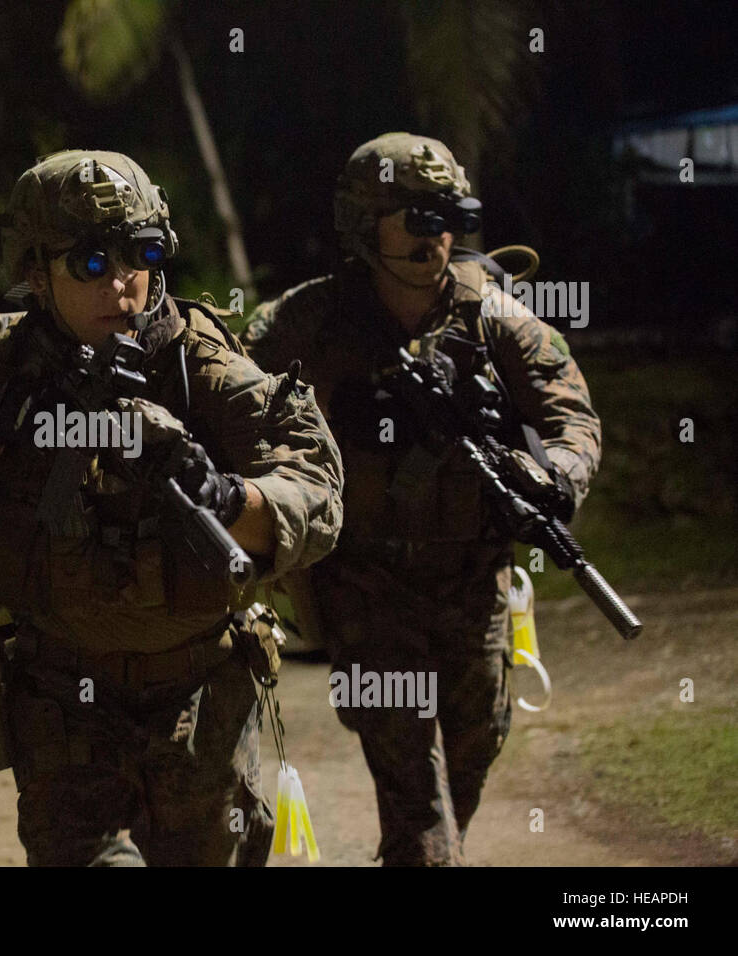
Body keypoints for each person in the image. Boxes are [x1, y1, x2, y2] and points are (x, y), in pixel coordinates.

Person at [0, 149, 343, 866]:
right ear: (36, 274)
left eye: (141, 254)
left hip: (196, 694)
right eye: (91, 263)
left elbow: (317, 498)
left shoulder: (199, 358)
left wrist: (221, 493)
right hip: (59, 701)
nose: (122, 284)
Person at [243, 132, 602, 865]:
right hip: (365, 587)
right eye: (414, 217)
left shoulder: (493, 318)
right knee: (411, 780)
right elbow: (230, 400)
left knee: (477, 741)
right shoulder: (306, 324)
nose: (435, 236)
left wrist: (554, 476)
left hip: (474, 584)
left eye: (447, 217)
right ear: (363, 225)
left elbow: (573, 418)